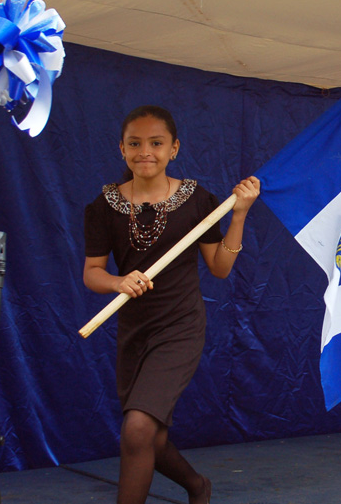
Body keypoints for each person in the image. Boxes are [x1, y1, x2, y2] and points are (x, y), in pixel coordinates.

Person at [83, 105, 260, 503]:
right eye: (135, 143)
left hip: (180, 328)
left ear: (174, 149)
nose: (145, 151)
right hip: (133, 331)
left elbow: (219, 267)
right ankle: (197, 486)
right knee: (149, 434)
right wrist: (117, 281)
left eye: (156, 143)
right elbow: (92, 272)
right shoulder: (103, 206)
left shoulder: (198, 201)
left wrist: (239, 215)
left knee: (138, 429)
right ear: (122, 149)